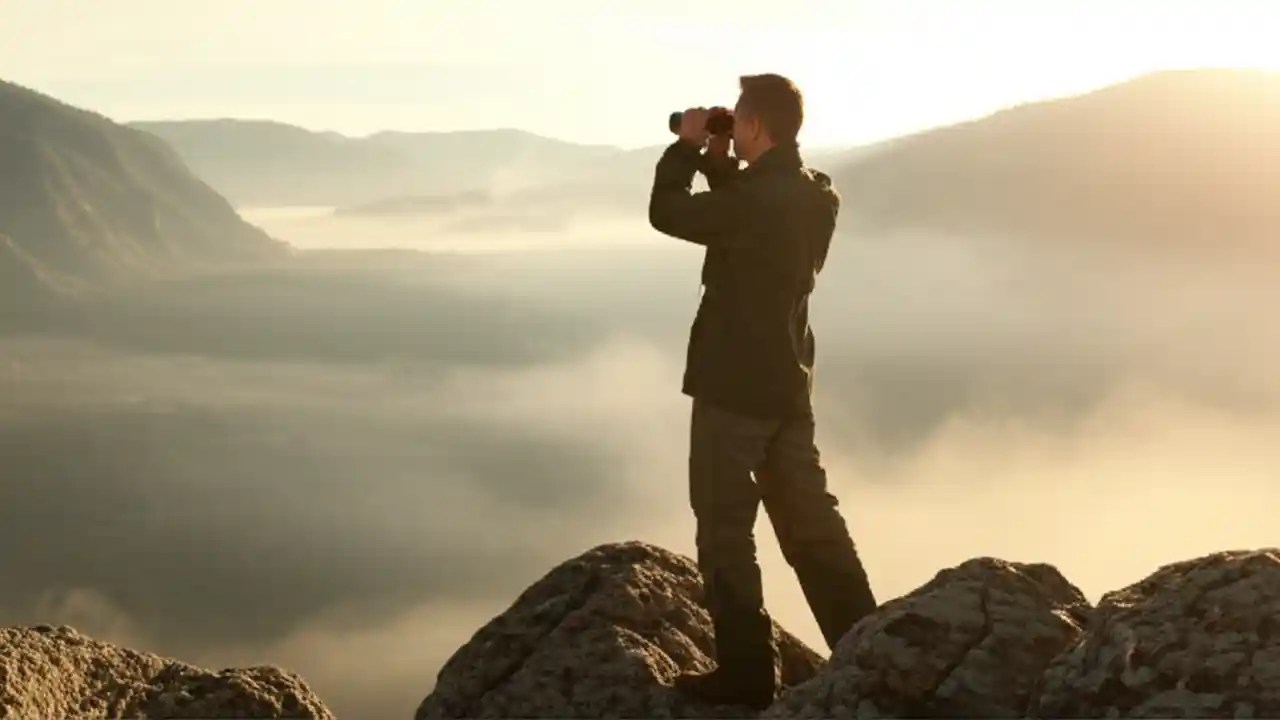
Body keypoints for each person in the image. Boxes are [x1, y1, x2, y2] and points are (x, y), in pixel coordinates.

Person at [648, 74, 878, 709]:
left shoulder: (753, 200)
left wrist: (687, 149)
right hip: (788, 384)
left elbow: (669, 213)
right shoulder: (817, 197)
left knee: (725, 530)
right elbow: (757, 222)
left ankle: (748, 675)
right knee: (811, 523)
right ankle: (869, 644)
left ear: (753, 126)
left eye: (738, 117)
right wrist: (725, 168)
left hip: (731, 386)